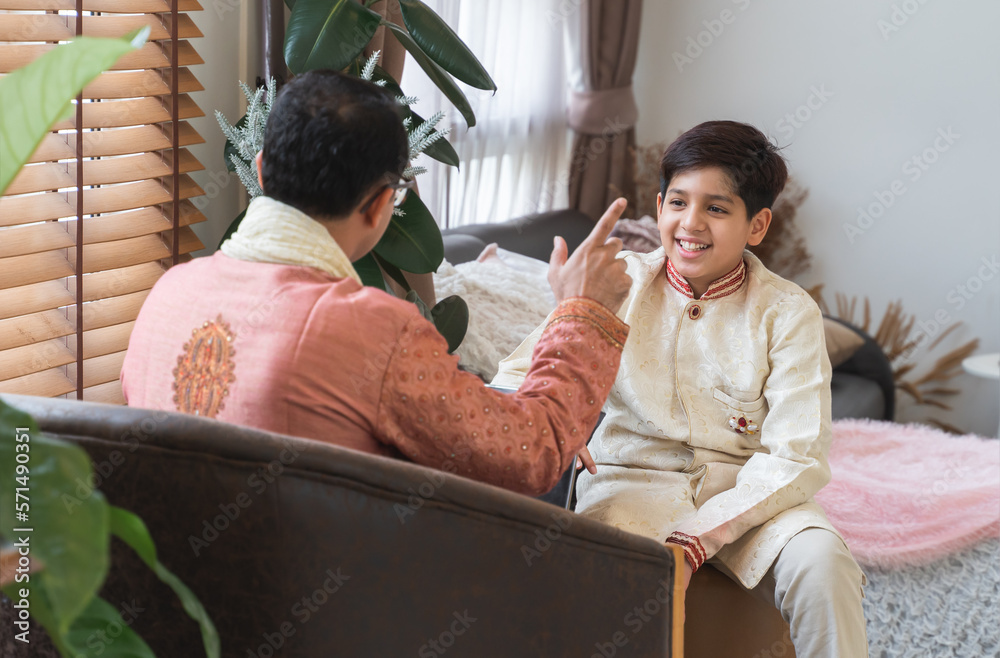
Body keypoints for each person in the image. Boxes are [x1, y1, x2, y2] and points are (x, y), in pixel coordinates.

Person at [121, 69, 633, 496]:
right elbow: (531, 453)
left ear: (260, 170)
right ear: (381, 204)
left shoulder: (169, 292)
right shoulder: (373, 329)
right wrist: (582, 310)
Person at [493, 121, 869, 657]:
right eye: (678, 202)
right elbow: (515, 376)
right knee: (610, 590)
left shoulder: (788, 313)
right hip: (627, 488)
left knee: (824, 563)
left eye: (716, 208)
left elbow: (797, 456)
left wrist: (696, 538)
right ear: (659, 206)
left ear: (757, 225)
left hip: (751, 497)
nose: (691, 223)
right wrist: (547, 421)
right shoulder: (616, 282)